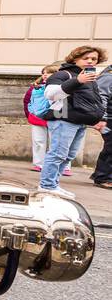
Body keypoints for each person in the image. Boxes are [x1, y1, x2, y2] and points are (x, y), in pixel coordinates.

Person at [39, 45, 109, 198]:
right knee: (58, 153)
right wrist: (77, 81)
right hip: (63, 119)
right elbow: (50, 94)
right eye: (86, 58)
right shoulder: (63, 74)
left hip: (80, 121)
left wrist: (99, 118)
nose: (90, 61)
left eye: (94, 59)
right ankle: (47, 185)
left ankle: (53, 184)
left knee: (68, 156)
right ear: (75, 58)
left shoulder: (90, 78)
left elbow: (95, 100)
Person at [23, 63, 60, 172]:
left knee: (57, 142)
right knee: (38, 141)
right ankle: (39, 164)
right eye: (43, 73)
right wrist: (29, 113)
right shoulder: (36, 87)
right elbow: (27, 100)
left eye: (49, 73)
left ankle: (61, 166)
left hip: (56, 117)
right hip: (37, 117)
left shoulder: (62, 86)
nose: (45, 75)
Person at [90, 63, 112, 189]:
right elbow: (100, 97)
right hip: (109, 117)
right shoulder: (108, 77)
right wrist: (100, 118)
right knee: (110, 149)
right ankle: (103, 178)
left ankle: (102, 175)